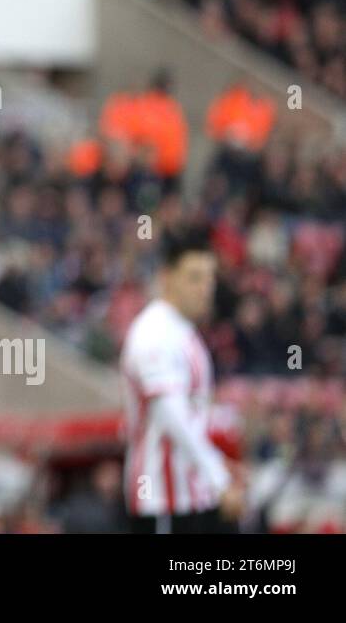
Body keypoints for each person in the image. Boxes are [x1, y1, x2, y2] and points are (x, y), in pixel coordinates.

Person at [120, 225, 244, 533]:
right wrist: (219, 476)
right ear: (166, 277)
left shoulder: (184, 331)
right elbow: (170, 413)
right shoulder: (153, 333)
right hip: (163, 500)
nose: (205, 288)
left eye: (210, 277)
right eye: (194, 277)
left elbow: (193, 413)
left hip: (195, 495)